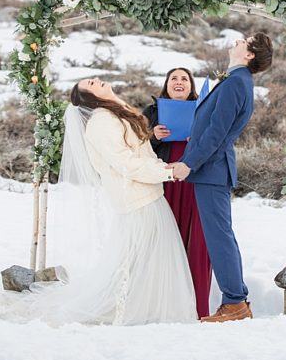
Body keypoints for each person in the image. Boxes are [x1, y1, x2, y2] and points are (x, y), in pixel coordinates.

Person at [49, 78, 196, 326]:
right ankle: (120, 308)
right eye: (91, 84)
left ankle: (144, 305)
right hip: (135, 199)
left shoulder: (116, 112)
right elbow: (125, 163)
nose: (97, 80)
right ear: (90, 98)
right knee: (134, 258)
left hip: (149, 193)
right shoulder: (101, 123)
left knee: (148, 256)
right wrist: (167, 173)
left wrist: (162, 166)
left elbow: (140, 151)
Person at [171, 31, 274, 322]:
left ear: (249, 54)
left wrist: (188, 162)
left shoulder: (237, 83)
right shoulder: (235, 80)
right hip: (212, 169)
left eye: (245, 40)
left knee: (219, 238)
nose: (238, 41)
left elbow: (217, 132)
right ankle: (236, 299)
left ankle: (235, 303)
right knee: (221, 236)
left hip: (210, 170)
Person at [145, 66, 213, 317]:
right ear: (167, 84)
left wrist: (196, 138)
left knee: (197, 242)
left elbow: (214, 139)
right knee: (166, 240)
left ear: (191, 87)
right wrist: (154, 135)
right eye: (173, 77)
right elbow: (136, 144)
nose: (179, 82)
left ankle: (196, 307)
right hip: (164, 183)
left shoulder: (203, 109)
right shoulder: (152, 112)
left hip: (194, 181)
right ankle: (165, 304)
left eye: (184, 78)